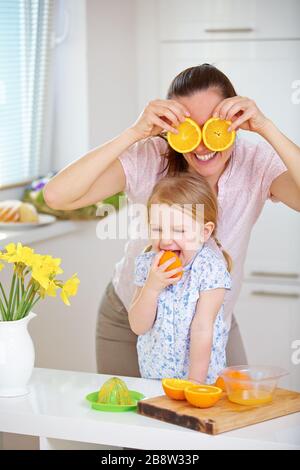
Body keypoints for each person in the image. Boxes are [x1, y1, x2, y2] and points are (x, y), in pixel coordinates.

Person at [44, 64, 300, 377]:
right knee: (126, 423)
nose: (203, 145)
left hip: (210, 322)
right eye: (190, 129)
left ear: (234, 123)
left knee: (223, 418)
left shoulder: (256, 161)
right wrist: (134, 132)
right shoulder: (152, 155)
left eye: (213, 128)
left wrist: (266, 127)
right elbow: (57, 196)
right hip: (133, 316)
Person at [128, 173, 232, 384]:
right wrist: (152, 288)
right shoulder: (147, 265)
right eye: (157, 229)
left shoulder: (209, 268)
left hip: (200, 380)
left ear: (204, 232)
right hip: (154, 379)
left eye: (179, 230)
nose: (166, 239)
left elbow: (202, 327)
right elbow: (138, 326)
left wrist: (194, 384)